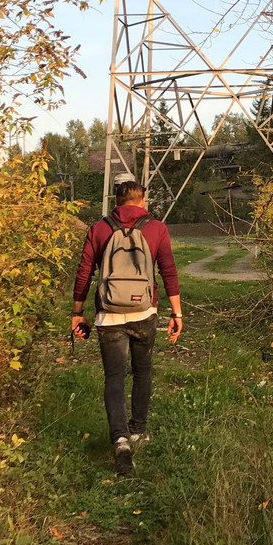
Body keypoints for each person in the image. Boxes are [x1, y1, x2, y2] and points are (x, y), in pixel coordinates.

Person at [72, 180, 183, 475]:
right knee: (143, 370)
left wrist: (77, 311)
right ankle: (138, 431)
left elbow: (84, 271)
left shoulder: (99, 229)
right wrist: (177, 312)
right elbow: (168, 270)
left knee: (115, 377)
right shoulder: (156, 228)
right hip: (144, 311)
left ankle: (120, 441)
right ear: (142, 200)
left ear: (117, 202)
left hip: (108, 315)